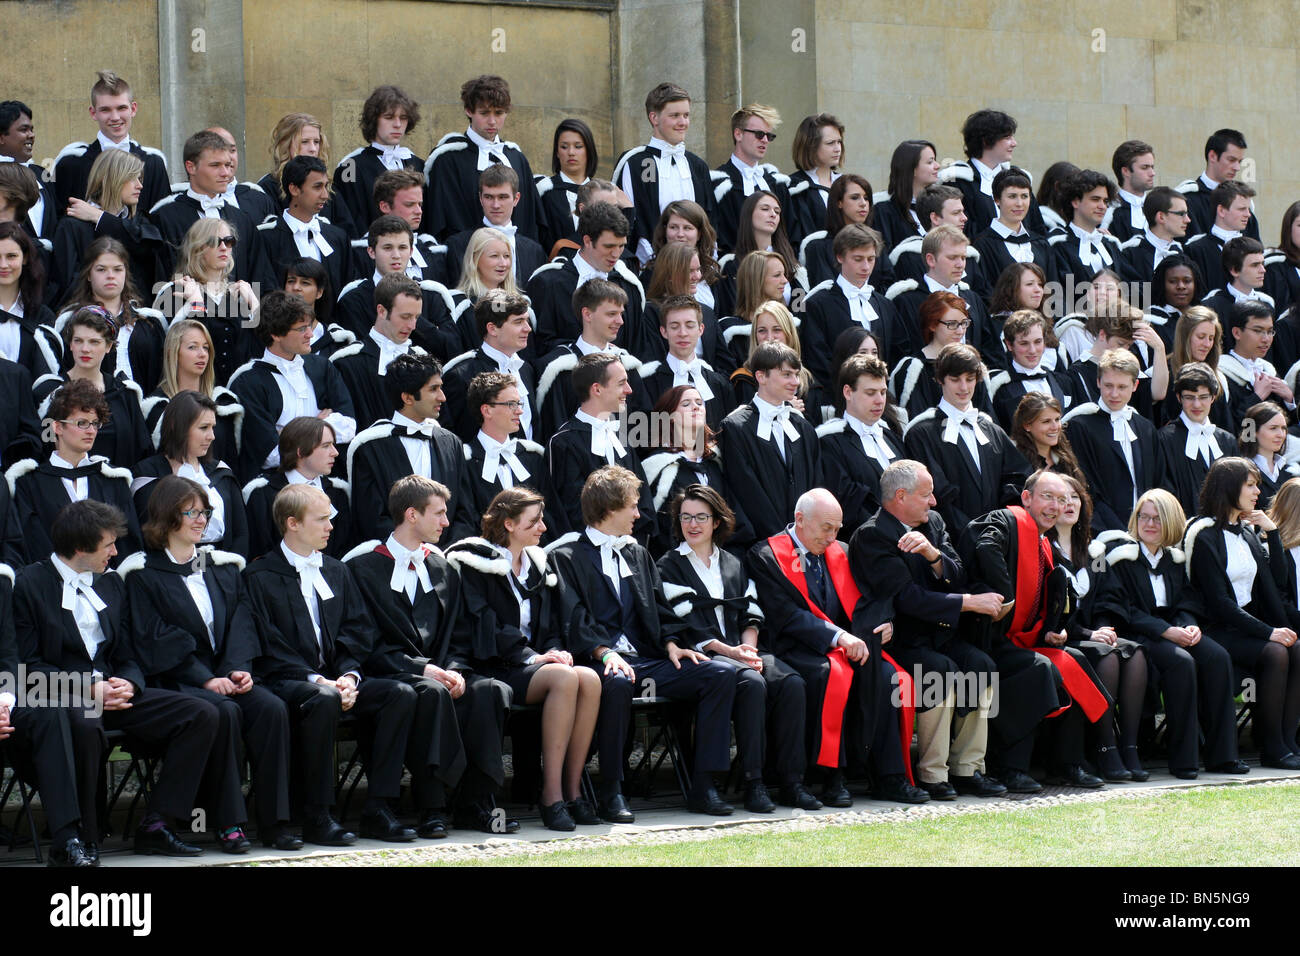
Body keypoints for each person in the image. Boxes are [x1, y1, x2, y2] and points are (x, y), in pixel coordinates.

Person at [14, 500, 218, 856]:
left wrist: (130, 682)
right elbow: (28, 667)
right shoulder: (31, 584)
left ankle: (157, 823)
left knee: (201, 713)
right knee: (84, 723)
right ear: (80, 547)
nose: (115, 551)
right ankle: (86, 836)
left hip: (115, 691)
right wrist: (87, 689)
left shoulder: (109, 584)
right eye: (108, 544)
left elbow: (127, 651)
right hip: (65, 696)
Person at [548, 465, 745, 819]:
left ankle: (704, 786)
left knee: (718, 675)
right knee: (618, 682)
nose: (640, 514)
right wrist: (604, 652)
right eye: (633, 506)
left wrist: (672, 642)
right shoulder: (566, 557)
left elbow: (659, 606)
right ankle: (612, 791)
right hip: (597, 663)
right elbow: (572, 617)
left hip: (645, 661)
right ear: (610, 508)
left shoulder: (637, 553)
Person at [122, 475, 296, 849]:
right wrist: (204, 679)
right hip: (177, 680)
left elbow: (242, 618)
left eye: (205, 512)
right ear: (168, 517)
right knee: (227, 712)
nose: (202, 520)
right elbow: (154, 638)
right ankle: (229, 822)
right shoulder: (144, 574)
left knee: (270, 707)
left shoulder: (218, 566)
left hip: (225, 675)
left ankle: (275, 821)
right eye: (192, 512)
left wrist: (239, 668)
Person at [247, 484, 419, 844]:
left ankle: (378, 808)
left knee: (399, 694)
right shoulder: (259, 576)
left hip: (339, 681)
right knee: (321, 700)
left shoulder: (337, 571)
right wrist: (318, 680)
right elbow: (268, 646)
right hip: (287, 681)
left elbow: (358, 630)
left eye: (331, 519)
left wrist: (350, 676)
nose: (330, 527)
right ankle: (317, 814)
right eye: (321, 519)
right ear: (292, 523)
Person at [346, 475, 515, 836]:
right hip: (392, 675)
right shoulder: (362, 570)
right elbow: (365, 643)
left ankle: (474, 802)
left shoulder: (441, 568)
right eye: (438, 514)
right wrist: (424, 669)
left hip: (440, 674)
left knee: (491, 690)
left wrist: (452, 668)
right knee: (431, 693)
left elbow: (459, 634)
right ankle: (432, 806)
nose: (446, 522)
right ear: (411, 515)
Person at [747, 487, 925, 804]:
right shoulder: (766, 555)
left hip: (850, 647)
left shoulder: (842, 550)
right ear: (800, 520)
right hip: (795, 649)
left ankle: (890, 777)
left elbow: (874, 597)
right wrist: (838, 637)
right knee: (830, 675)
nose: (832, 536)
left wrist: (886, 624)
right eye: (826, 528)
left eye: (837, 528)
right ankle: (833, 776)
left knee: (891, 678)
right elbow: (785, 616)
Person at [445, 486, 602, 830]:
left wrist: (556, 649)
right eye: (535, 521)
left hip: (531, 664)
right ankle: (551, 795)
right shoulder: (474, 563)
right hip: (494, 665)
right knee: (564, 677)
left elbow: (553, 624)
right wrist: (535, 657)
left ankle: (573, 790)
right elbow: (484, 623)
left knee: (589, 678)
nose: (543, 528)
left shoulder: (538, 565)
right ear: (509, 524)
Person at [850, 460, 1006, 798]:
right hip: (901, 639)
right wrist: (969, 603)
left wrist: (934, 555)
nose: (934, 501)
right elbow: (906, 599)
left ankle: (968, 768)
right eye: (926, 495)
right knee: (941, 671)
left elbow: (958, 572)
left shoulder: (932, 522)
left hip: (940, 633)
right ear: (901, 496)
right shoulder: (872, 535)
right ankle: (933, 773)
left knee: (982, 666)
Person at [657, 484, 816, 811]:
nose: (693, 524)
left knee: (792, 683)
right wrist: (731, 654)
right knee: (752, 683)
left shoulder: (733, 562)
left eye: (701, 516)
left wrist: (749, 650)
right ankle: (753, 782)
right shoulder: (668, 565)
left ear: (717, 521)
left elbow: (752, 613)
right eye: (686, 517)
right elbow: (683, 623)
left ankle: (790, 781)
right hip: (703, 655)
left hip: (743, 650)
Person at [962, 470, 1108, 790]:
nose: (1055, 506)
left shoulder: (1045, 544)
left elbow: (1053, 600)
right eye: (1047, 497)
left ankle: (1067, 763)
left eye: (1062, 499)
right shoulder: (1006, 520)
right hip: (985, 640)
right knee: (1038, 669)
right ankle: (1009, 767)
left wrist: (1055, 632)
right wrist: (1006, 598)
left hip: (1019, 641)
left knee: (1074, 663)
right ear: (1026, 498)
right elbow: (984, 547)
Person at [1092, 488, 1244, 778]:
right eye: (1144, 517)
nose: (1149, 525)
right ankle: (1184, 760)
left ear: (1171, 521)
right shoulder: (1121, 559)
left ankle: (1223, 755)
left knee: (1216, 656)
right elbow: (1125, 609)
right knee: (1181, 662)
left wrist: (1189, 625)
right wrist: (1166, 631)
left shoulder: (1175, 561)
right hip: (1139, 634)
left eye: (1157, 519)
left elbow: (1187, 600)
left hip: (1174, 627)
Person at [1185, 457, 1300, 769]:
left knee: (1296, 648)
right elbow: (1220, 604)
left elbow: (1275, 582)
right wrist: (1269, 632)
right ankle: (1272, 746)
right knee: (1277, 651)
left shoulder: (1247, 532)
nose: (1256, 492)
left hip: (1245, 625)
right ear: (1229, 487)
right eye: (1250, 485)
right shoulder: (1204, 535)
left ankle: (1288, 741)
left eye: (1257, 485)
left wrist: (1272, 533)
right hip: (1215, 628)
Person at [1049, 474, 1148, 782]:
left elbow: (1110, 596)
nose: (1068, 504)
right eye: (1061, 498)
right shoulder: (1043, 550)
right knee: (1107, 657)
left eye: (1075, 498)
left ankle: (1128, 746)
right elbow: (1047, 606)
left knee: (1134, 654)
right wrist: (1088, 634)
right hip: (1062, 637)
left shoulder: (1094, 553)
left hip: (1094, 635)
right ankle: (1105, 748)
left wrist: (1104, 627)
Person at [0, 556, 89, 865]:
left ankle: (66, 841)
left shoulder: (1, 581)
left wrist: (4, 701)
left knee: (50, 713)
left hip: (2, 703)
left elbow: (9, 654)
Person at [227, 289, 356, 482]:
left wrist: (288, 433)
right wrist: (321, 425)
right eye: (302, 328)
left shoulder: (322, 367)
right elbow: (271, 454)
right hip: (276, 488)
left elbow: (349, 426)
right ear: (276, 334)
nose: (310, 334)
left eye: (310, 326)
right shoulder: (248, 382)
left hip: (324, 483)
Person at [347, 351, 476, 541]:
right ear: (407, 398)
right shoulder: (369, 447)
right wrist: (410, 547)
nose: (442, 397)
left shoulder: (451, 443)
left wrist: (443, 554)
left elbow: (465, 512)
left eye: (441, 388)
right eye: (433, 389)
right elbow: (371, 518)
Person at [9, 378, 142, 560]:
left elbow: (128, 545)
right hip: (53, 583)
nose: (91, 431)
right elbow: (32, 543)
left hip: (105, 583)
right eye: (81, 423)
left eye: (95, 423)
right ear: (57, 426)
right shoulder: (30, 483)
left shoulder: (113, 480)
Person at [903, 343, 1028, 531]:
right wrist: (972, 534)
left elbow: (1017, 479)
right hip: (950, 541)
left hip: (998, 539)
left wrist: (999, 528)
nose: (964, 387)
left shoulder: (992, 431)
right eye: (955, 379)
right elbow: (935, 495)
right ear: (940, 379)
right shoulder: (921, 434)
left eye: (970, 379)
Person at [545, 352, 655, 542]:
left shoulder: (620, 435)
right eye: (621, 383)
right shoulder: (563, 443)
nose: (629, 390)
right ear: (597, 389)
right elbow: (568, 511)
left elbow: (642, 499)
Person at [720, 342, 822, 540]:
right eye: (786, 374)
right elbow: (746, 493)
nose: (795, 382)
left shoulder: (803, 427)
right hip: (763, 545)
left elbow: (816, 484)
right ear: (761, 376)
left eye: (796, 374)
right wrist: (782, 539)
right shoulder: (735, 427)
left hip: (806, 540)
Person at [131, 390, 248, 557]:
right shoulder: (148, 475)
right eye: (203, 428)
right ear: (176, 426)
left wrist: (227, 571)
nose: (212, 436)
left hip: (220, 571)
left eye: (212, 428)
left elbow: (240, 533)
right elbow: (145, 535)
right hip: (166, 573)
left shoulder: (221, 473)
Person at [424, 75, 540, 243]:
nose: (492, 121)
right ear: (469, 110)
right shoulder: (447, 160)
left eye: (499, 113)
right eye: (484, 113)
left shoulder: (516, 158)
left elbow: (530, 220)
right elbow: (440, 221)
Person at [150, 130, 272, 288]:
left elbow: (259, 278)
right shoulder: (165, 218)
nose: (225, 173)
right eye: (215, 165)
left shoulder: (242, 219)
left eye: (228, 165)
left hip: (238, 310)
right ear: (191, 167)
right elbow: (161, 280)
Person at [526, 201, 648, 360]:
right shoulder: (548, 283)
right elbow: (538, 345)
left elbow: (637, 347)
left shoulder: (629, 285)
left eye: (621, 246)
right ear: (587, 241)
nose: (616, 254)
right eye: (609, 246)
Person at [34, 306, 150, 470]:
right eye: (78, 341)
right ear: (70, 345)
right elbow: (39, 450)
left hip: (114, 491)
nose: (85, 349)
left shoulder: (124, 393)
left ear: (109, 346)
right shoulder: (49, 392)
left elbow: (141, 452)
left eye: (94, 342)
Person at [151, 217, 261, 386]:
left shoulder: (240, 294)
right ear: (197, 248)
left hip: (239, 393)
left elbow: (261, 348)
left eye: (229, 241)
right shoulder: (175, 291)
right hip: (194, 395)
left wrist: (255, 306)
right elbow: (169, 350)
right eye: (214, 241)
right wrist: (195, 305)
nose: (223, 247)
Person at [1063, 348, 1165, 531]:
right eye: (1108, 385)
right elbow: (1086, 488)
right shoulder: (1080, 427)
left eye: (1122, 387)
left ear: (1135, 386)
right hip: (1102, 533)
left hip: (1146, 530)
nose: (1114, 394)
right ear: (1098, 382)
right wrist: (1116, 532)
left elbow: (1158, 482)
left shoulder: (1145, 428)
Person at [614, 82, 716, 265]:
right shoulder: (637, 162)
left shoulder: (697, 165)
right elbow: (627, 217)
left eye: (686, 115)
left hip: (694, 266)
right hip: (649, 266)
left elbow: (708, 218)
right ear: (654, 118)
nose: (683, 122)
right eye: (675, 115)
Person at [335, 215, 460, 360]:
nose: (396, 255)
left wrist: (411, 317)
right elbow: (357, 355)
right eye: (387, 248)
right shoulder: (353, 300)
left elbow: (451, 349)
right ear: (371, 252)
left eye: (402, 248)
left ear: (412, 251)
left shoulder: (432, 294)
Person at [55, 237, 167, 394]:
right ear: (88, 274)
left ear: (126, 272)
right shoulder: (70, 321)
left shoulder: (149, 321)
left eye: (117, 269)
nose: (110, 276)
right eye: (101, 269)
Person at [50, 148, 162, 305]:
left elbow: (147, 248)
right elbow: (67, 285)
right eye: (132, 178)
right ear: (110, 179)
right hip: (88, 319)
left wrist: (98, 217)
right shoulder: (71, 226)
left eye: (140, 179)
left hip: (135, 318)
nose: (140, 186)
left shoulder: (138, 223)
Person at [51, 71, 169, 217]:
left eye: (121, 108)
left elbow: (161, 223)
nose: (115, 117)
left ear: (133, 109)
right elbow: (59, 218)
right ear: (93, 113)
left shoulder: (153, 162)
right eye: (105, 110)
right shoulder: (71, 162)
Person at [817, 354, 905, 538]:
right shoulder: (830, 442)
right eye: (870, 393)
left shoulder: (890, 435)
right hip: (866, 543)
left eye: (882, 392)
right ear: (848, 392)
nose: (880, 400)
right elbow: (848, 503)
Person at [802, 224, 899, 387]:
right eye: (858, 259)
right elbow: (816, 359)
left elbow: (897, 353)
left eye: (871, 259)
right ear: (840, 257)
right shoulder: (816, 305)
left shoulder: (885, 305)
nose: (866, 267)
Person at [243, 416, 351, 561]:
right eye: (326, 446)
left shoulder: (339, 492)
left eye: (333, 444)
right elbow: (258, 550)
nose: (335, 452)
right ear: (300, 452)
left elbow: (344, 548)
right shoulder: (262, 493)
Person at [330, 273, 429, 430]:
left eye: (416, 317)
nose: (413, 326)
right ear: (381, 311)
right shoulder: (348, 364)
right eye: (405, 317)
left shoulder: (424, 362)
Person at [460, 370, 556, 531]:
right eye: (511, 404)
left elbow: (551, 514)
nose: (519, 411)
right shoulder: (465, 463)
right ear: (487, 410)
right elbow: (467, 520)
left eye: (519, 404)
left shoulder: (532, 457)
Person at [886, 224, 994, 366]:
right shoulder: (906, 302)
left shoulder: (972, 298)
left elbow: (991, 349)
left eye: (963, 257)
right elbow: (902, 353)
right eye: (952, 257)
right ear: (931, 259)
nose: (960, 264)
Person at [143, 318, 243, 467]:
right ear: (173, 352)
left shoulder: (224, 403)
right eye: (192, 347)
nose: (202, 354)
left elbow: (233, 463)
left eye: (206, 347)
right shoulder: (156, 408)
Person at [440, 289, 536, 443]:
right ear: (492, 329)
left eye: (527, 320)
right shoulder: (460, 375)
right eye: (518, 322)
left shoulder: (526, 369)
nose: (528, 328)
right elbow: (456, 436)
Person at [332, 85, 424, 237]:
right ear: (374, 120)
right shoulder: (350, 167)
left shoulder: (418, 163)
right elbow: (349, 219)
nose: (397, 124)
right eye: (389, 117)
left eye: (403, 118)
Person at [633, 295, 734, 431]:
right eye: (674, 327)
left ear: (701, 330)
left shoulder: (719, 384)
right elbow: (642, 438)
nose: (683, 333)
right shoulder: (647, 384)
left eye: (690, 325)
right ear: (664, 331)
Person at [943, 109, 1045, 237]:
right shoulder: (958, 182)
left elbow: (1037, 227)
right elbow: (961, 233)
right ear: (986, 140)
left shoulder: (1018, 177)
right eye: (1007, 137)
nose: (1014, 143)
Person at [890, 292, 993, 420]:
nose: (960, 331)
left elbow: (987, 417)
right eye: (952, 324)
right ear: (932, 325)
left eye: (964, 323)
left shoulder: (973, 365)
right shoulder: (914, 369)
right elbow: (917, 421)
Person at [257, 156, 350, 295]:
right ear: (294, 189)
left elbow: (345, 291)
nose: (325, 195)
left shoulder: (338, 238)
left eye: (326, 186)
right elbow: (261, 289)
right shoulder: (264, 238)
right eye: (317, 187)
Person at [443, 165, 546, 289]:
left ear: (516, 199)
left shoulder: (535, 252)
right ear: (480, 198)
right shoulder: (457, 245)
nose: (495, 205)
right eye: (489, 197)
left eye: (503, 197)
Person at [1157, 362, 1238, 518]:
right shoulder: (1164, 439)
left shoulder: (1227, 441)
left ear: (1213, 397)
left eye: (1203, 397)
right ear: (1179, 397)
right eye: (1189, 397)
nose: (1197, 404)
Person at [712, 104, 791, 256]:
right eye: (759, 134)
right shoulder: (719, 184)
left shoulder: (776, 183)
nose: (765, 140)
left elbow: (789, 234)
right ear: (738, 134)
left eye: (769, 136)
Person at [258, 111, 354, 236]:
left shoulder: (329, 189)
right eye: (304, 142)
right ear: (285, 145)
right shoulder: (267, 187)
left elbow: (347, 233)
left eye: (316, 142)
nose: (313, 149)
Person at [971, 167, 1057, 297]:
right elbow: (984, 294)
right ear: (997, 200)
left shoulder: (1041, 244)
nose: (1019, 203)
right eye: (1012, 196)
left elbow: (1053, 290)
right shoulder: (982, 245)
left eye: (1024, 196)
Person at [988, 310, 1075, 432]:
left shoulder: (1062, 381)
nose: (1032, 350)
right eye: (1024, 343)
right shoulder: (999, 388)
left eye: (1038, 342)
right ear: (1009, 344)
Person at [643, 241, 725, 368]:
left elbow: (725, 363)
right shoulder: (650, 313)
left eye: (698, 269)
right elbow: (654, 362)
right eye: (690, 271)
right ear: (669, 274)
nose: (697, 276)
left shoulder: (707, 312)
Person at [0, 220, 61, 382]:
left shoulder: (42, 316)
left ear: (25, 258)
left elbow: (46, 376)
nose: (3, 265)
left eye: (11, 256)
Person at [1218, 299, 1293, 431]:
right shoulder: (1222, 373)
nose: (1266, 339)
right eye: (1258, 331)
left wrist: (1289, 400)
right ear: (1237, 333)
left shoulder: (1268, 371)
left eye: (1270, 331)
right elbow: (1231, 430)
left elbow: (1288, 428)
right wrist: (1256, 398)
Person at [644, 199, 722, 321]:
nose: (680, 234)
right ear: (665, 230)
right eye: (673, 227)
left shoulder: (711, 274)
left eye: (687, 228)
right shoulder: (651, 273)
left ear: (699, 234)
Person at [1177, 128, 1260, 241]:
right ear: (1212, 156)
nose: (1237, 168)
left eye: (1239, 161)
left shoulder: (1244, 202)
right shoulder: (1188, 200)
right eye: (1231, 160)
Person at [1049, 170, 1123, 293]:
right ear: (1075, 202)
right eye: (1095, 199)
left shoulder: (1111, 244)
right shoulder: (1058, 245)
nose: (1102, 206)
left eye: (1105, 201)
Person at [536, 118, 598, 258]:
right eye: (564, 146)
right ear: (557, 152)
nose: (571, 152)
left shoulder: (605, 193)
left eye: (578, 146)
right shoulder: (544, 191)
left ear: (589, 150)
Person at [1164, 304, 1232, 429]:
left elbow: (1225, 428)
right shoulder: (1162, 374)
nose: (1207, 344)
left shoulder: (1219, 378)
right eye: (1201, 337)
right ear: (1185, 337)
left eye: (1211, 338)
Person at [1184, 180, 1257, 292]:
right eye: (1242, 209)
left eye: (1248, 209)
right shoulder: (1196, 250)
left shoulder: (1252, 249)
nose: (1248, 214)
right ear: (1221, 211)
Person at [870, 139, 940, 254]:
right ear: (912, 169)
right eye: (930, 162)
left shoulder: (939, 205)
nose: (937, 166)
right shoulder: (883, 211)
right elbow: (883, 255)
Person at [785, 113, 844, 245]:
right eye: (830, 143)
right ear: (811, 146)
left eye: (839, 142)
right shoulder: (795, 187)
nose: (837, 148)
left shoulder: (847, 184)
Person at [0, 100, 55, 238]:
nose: (31, 135)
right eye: (23, 130)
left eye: (31, 129)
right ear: (1, 137)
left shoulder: (42, 174)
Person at [1200, 238, 1274, 340]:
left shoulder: (1267, 304)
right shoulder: (1212, 308)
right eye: (1255, 265)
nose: (1263, 270)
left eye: (1263, 264)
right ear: (1234, 270)